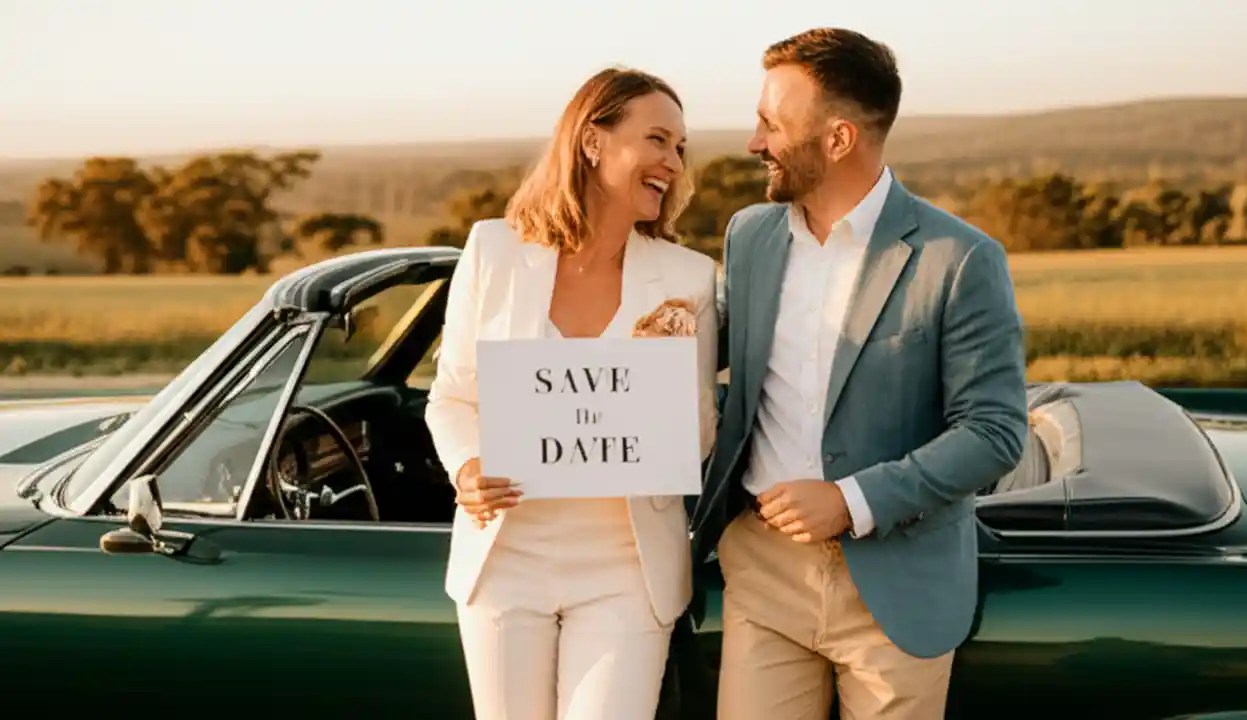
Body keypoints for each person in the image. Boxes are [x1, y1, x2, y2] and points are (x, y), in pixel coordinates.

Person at [690, 28, 1029, 720]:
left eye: (771, 125)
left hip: (899, 582)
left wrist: (851, 500)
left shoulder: (959, 258)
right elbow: (695, 353)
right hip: (762, 571)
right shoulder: (750, 237)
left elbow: (993, 433)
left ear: (838, 138)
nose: (755, 142)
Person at [424, 67, 720, 720]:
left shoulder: (689, 279)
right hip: (506, 558)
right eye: (657, 140)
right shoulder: (494, 251)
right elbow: (450, 398)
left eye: (679, 148)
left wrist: (661, 384)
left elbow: (699, 440)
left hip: (626, 566)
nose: (672, 162)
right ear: (593, 141)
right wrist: (468, 467)